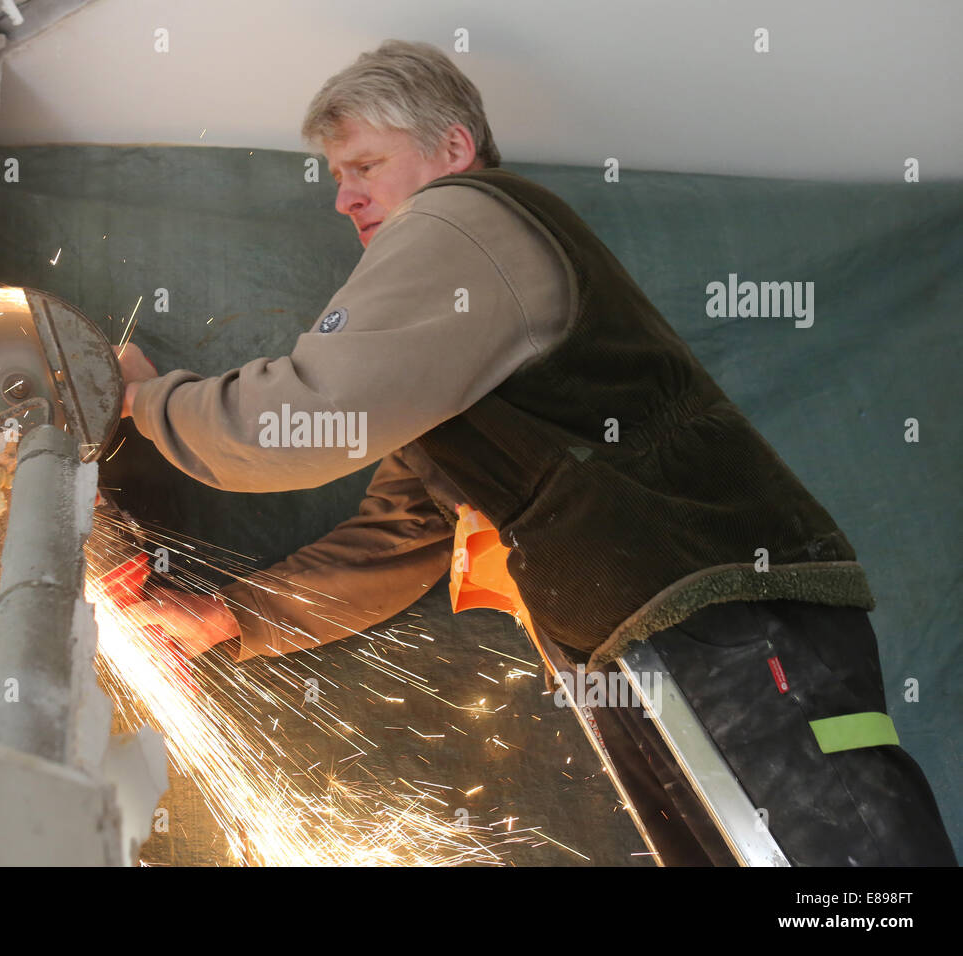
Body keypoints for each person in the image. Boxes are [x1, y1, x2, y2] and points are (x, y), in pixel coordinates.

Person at [115, 40, 957, 866]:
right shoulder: (464, 329)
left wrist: (143, 401)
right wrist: (234, 617)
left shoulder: (466, 219)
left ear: (454, 149)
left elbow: (306, 415)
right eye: (338, 175)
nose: (344, 198)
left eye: (365, 165)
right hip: (656, 634)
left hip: (723, 617)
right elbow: (407, 527)